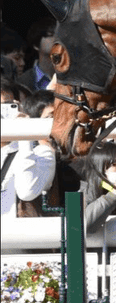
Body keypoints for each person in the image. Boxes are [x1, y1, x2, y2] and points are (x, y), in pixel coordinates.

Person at [1, 79, 55, 220]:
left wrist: (24, 135)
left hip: (19, 238)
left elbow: (27, 191)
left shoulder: (41, 151)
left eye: (8, 106)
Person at [16, 18, 56, 93]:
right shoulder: (23, 81)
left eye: (59, 35)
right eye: (51, 35)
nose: (56, 39)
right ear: (36, 45)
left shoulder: (71, 77)